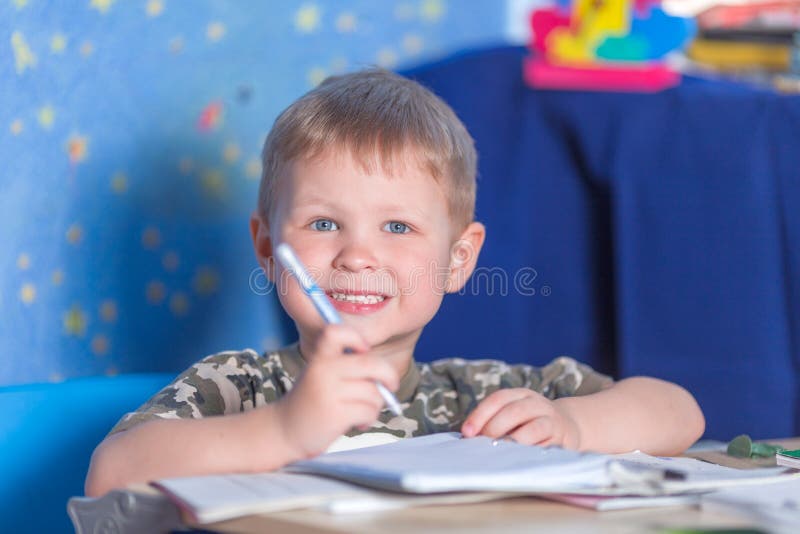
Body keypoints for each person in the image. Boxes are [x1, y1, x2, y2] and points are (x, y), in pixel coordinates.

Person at [85, 69, 705, 497]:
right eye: (325, 223)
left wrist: (573, 428)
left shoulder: (486, 395)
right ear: (269, 249)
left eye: (398, 227)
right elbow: (112, 472)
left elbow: (680, 413)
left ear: (458, 259)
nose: (358, 255)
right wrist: (285, 431)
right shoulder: (240, 386)